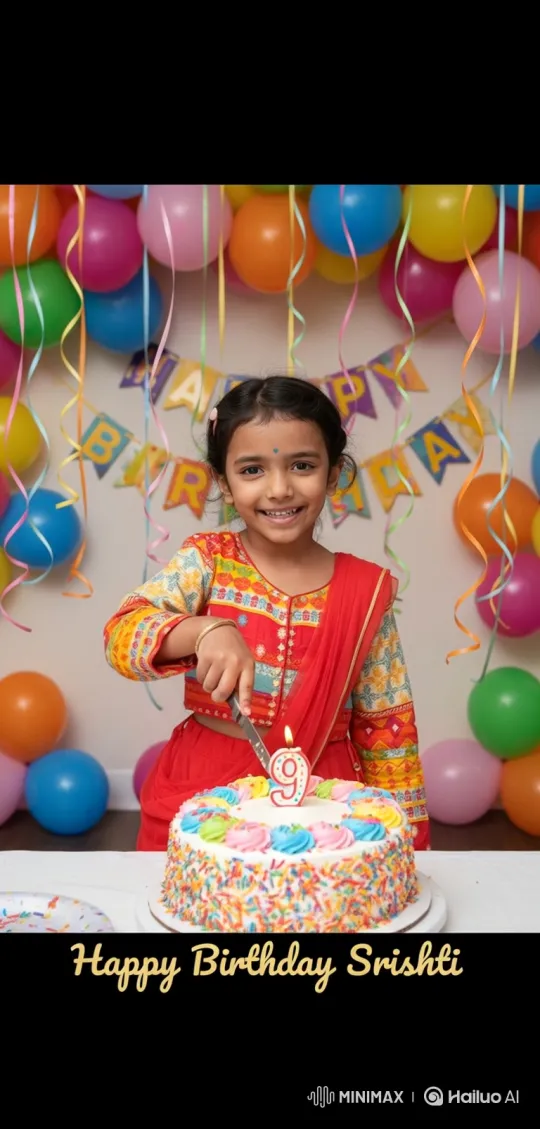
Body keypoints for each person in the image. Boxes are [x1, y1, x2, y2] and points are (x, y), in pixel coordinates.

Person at [103, 375, 430, 852]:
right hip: (207, 785)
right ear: (224, 482)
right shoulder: (208, 560)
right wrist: (202, 629)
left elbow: (388, 725)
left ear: (334, 473)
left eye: (302, 465)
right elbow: (120, 636)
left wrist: (408, 841)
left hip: (324, 798)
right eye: (252, 470)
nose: (279, 489)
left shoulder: (366, 591)